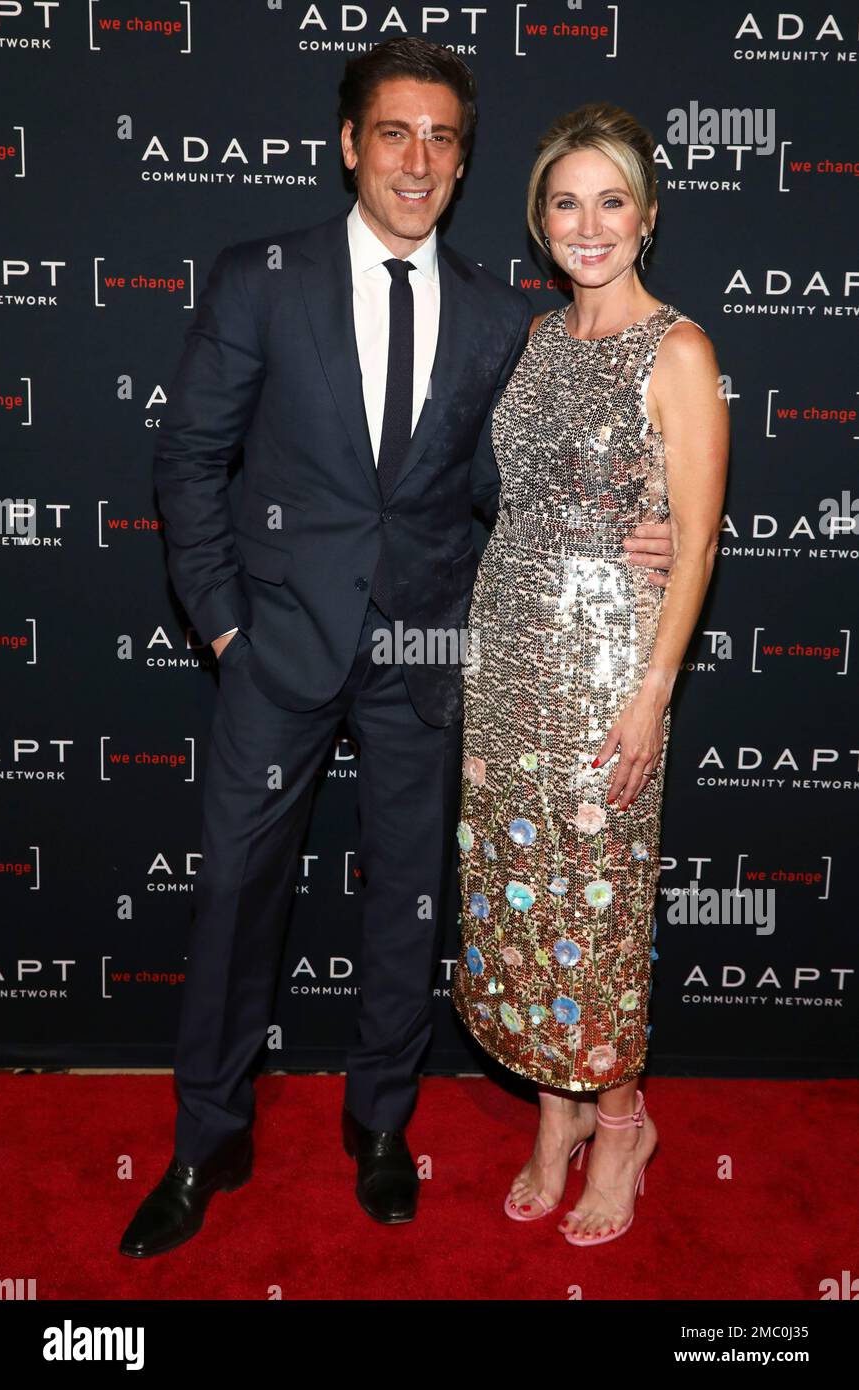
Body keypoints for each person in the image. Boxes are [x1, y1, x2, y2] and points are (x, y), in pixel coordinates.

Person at [119, 45, 675, 1258]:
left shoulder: (494, 313)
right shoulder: (261, 280)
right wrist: (223, 624)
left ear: (463, 162)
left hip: (424, 655)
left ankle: (380, 1125)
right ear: (347, 144)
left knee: (404, 908)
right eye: (392, 134)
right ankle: (206, 1136)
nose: (416, 160)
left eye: (439, 140)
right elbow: (187, 464)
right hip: (275, 648)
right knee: (230, 900)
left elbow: (509, 485)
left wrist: (639, 520)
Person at [452, 102, 729, 1246]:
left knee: (598, 907)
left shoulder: (678, 348)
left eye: (609, 199)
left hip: (609, 665)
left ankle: (621, 1122)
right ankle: (555, 1112)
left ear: (646, 216)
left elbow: (697, 540)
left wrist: (651, 689)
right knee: (519, 903)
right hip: (506, 655)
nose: (587, 223)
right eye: (564, 202)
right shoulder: (526, 341)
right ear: (539, 223)